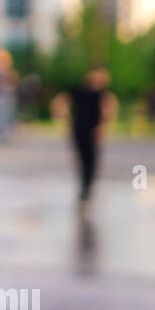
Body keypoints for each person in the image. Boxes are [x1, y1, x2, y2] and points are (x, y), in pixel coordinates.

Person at [53, 67, 117, 207]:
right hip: (79, 129)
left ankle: (87, 190)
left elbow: (109, 108)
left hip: (92, 131)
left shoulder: (101, 93)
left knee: (91, 161)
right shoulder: (79, 90)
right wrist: (66, 117)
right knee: (83, 160)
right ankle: (85, 190)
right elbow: (59, 101)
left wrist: (103, 126)